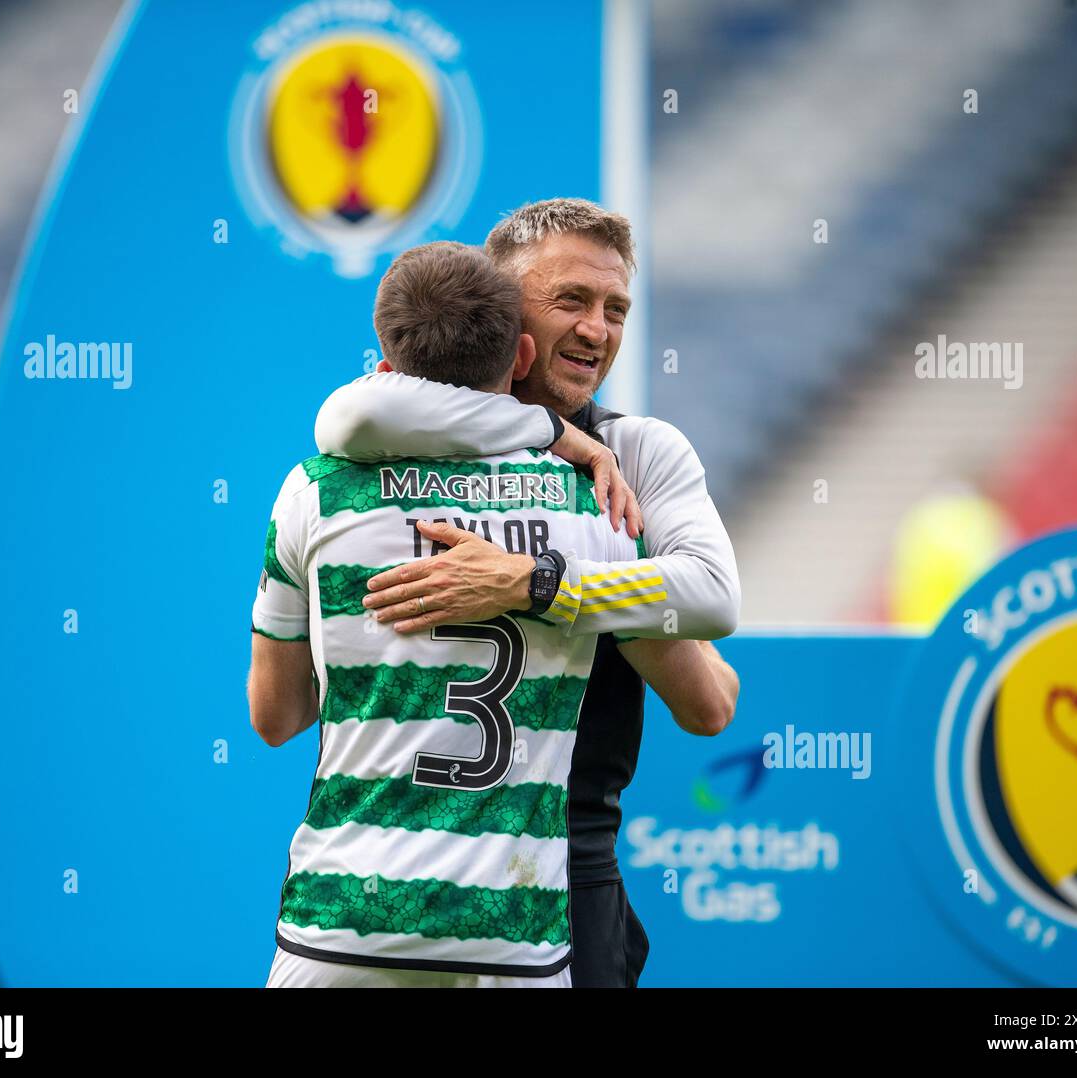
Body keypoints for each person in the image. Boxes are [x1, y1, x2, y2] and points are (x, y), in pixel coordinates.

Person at [248, 241, 735, 987]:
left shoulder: (319, 489)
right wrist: (552, 449)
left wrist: (533, 583)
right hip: (519, 918)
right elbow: (708, 669)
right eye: (572, 300)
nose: (597, 331)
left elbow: (277, 715)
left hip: (352, 916)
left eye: (615, 310)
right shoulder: (598, 506)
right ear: (517, 341)